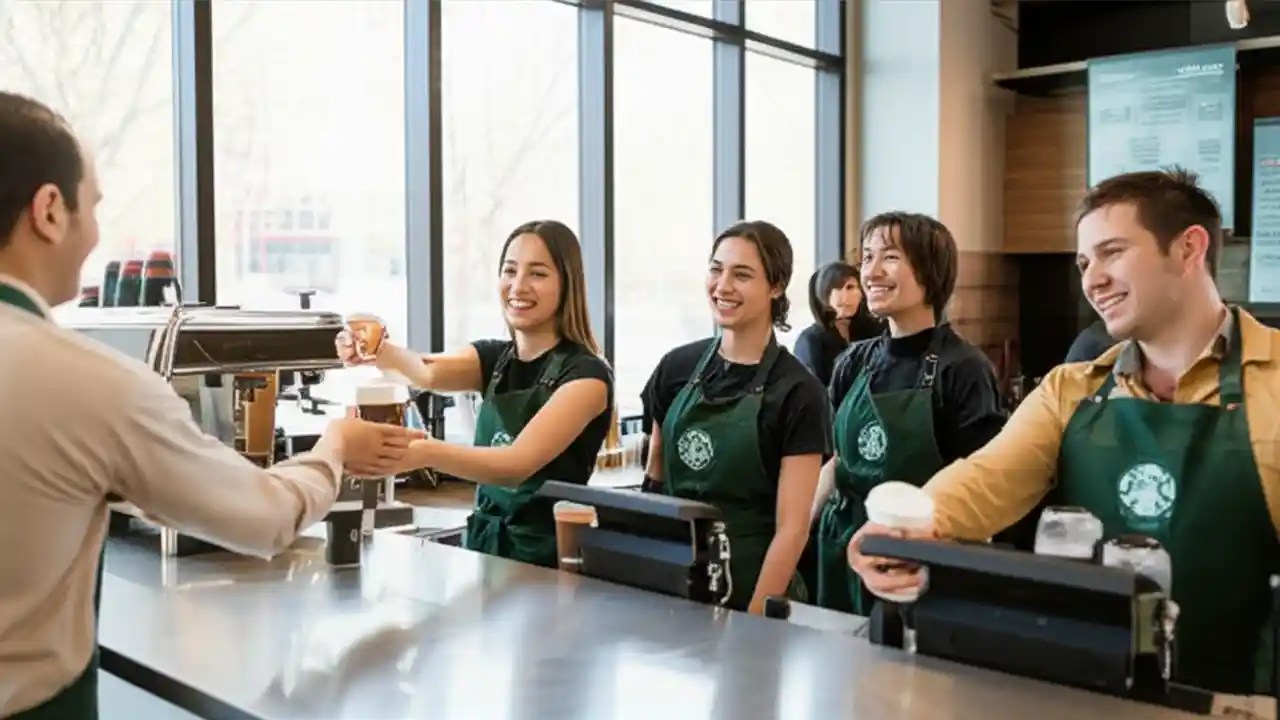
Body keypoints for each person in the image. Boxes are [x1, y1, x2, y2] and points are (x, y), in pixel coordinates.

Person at [0, 93, 418, 719]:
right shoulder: (87, 385)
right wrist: (334, 449)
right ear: (51, 211)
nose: (96, 232)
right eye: (95, 206)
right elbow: (263, 520)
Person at [848, 168, 1280, 695]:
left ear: (1189, 249)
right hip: (1095, 692)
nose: (1091, 278)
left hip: (1245, 702)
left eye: (1112, 252)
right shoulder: (1071, 390)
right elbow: (984, 481)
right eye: (1084, 262)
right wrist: (898, 533)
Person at [339, 220, 614, 569]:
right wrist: (373, 348)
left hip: (547, 557)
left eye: (538, 274)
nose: (518, 286)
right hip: (486, 547)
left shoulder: (587, 375)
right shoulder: (494, 358)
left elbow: (515, 466)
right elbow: (426, 372)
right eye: (509, 270)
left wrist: (424, 451)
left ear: (567, 283)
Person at [811, 212, 1005, 615]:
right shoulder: (852, 363)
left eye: (891, 257)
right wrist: (799, 532)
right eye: (867, 257)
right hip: (838, 552)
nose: (872, 271)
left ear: (931, 272)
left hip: (915, 563)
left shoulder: (963, 368)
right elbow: (836, 464)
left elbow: (984, 486)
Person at [641, 220, 831, 614]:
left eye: (741, 274)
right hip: (672, 579)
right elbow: (654, 477)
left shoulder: (798, 392)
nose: (722, 285)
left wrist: (755, 620)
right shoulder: (676, 368)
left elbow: (792, 529)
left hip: (753, 584)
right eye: (716, 269)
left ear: (776, 286)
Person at [793, 260, 882, 386]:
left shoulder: (876, 330)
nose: (844, 296)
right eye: (837, 289)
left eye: (850, 287)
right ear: (823, 295)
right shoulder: (810, 341)